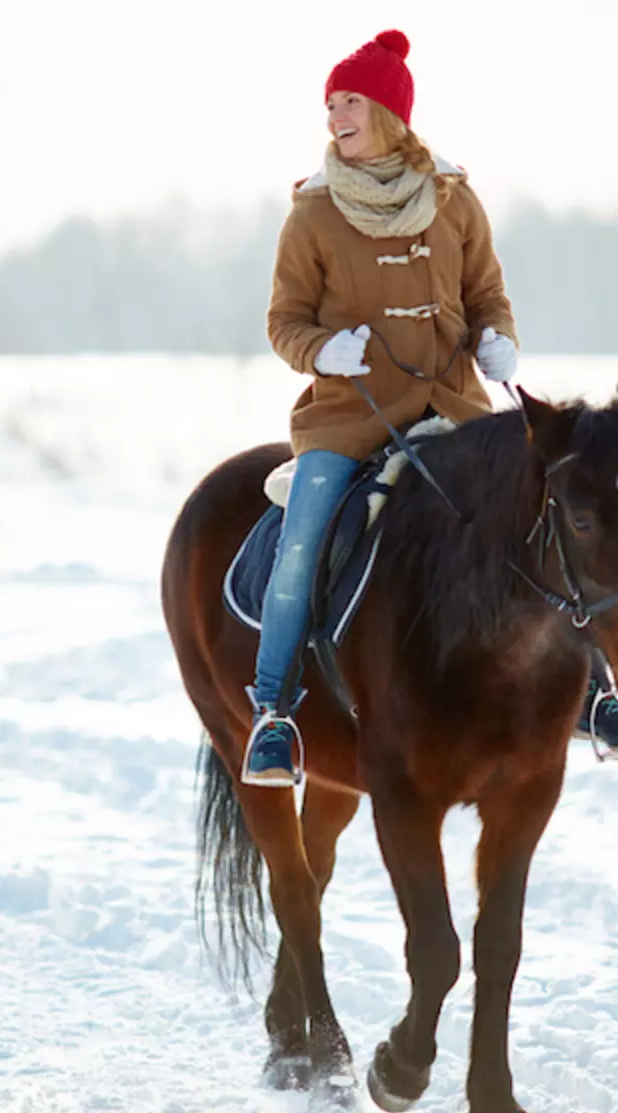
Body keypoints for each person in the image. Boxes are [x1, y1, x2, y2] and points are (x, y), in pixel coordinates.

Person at [243, 28, 618, 785]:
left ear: (388, 111)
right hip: (349, 416)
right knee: (302, 541)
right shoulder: (312, 215)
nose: (334, 116)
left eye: (349, 102)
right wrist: (323, 352)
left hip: (455, 407)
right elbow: (284, 323)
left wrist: (497, 341)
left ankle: (592, 694)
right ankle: (274, 716)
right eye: (330, 104)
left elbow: (487, 296)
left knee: (548, 523)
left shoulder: (454, 200)